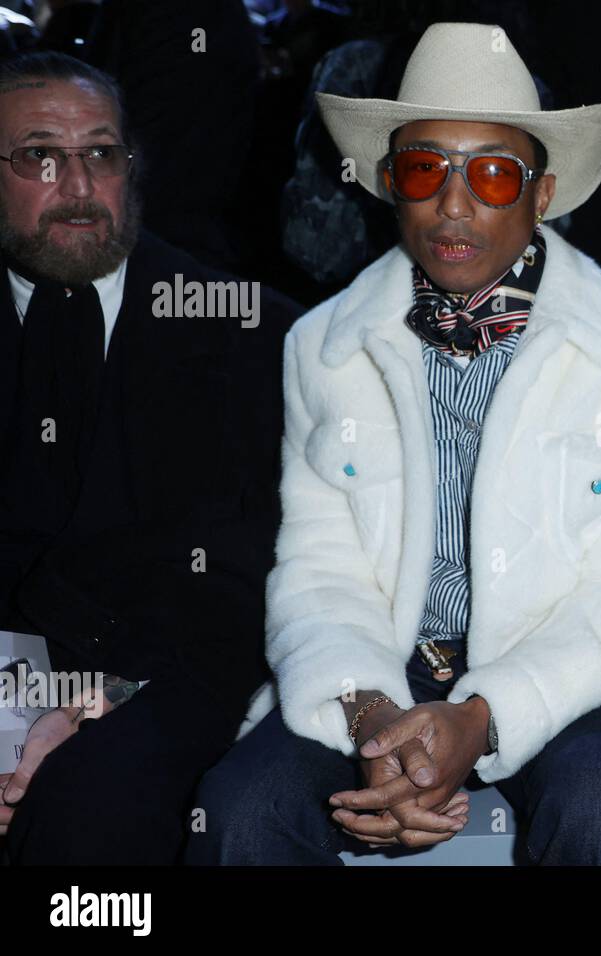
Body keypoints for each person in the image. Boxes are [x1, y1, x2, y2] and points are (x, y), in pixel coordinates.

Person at [186, 22, 601, 866]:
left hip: (562, 677)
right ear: (390, 183)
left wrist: (481, 717)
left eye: (494, 174)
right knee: (239, 812)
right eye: (426, 169)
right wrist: (371, 717)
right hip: (372, 667)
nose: (453, 205)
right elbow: (318, 572)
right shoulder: (322, 347)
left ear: (544, 194)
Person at [0, 51, 299, 863]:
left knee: (88, 810)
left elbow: (241, 575)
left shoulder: (250, 335)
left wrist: (96, 697)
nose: (78, 187)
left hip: (160, 669)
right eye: (39, 156)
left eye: (101, 154)